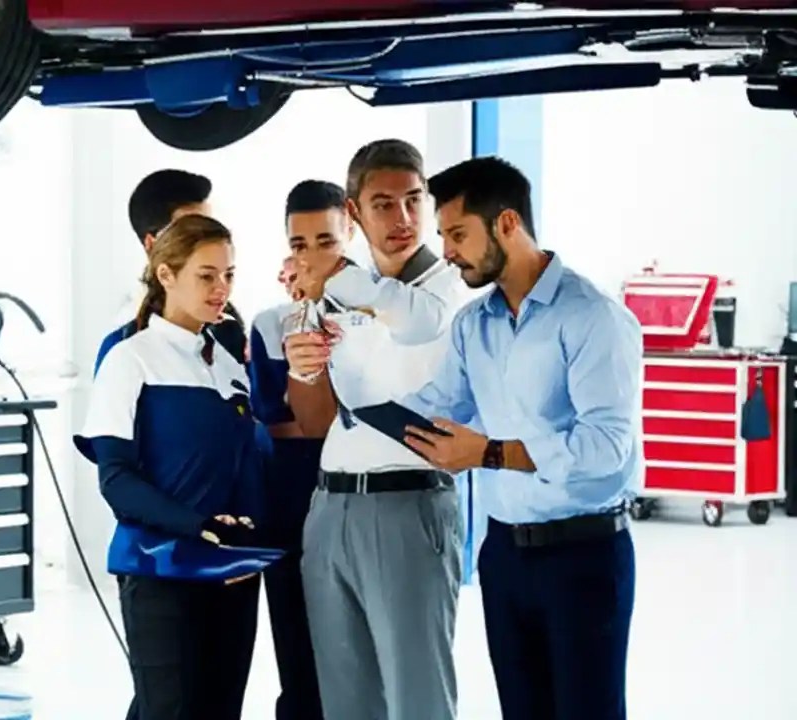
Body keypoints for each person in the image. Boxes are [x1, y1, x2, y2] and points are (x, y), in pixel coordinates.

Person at [399, 156, 641, 720]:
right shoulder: (472, 324)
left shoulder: (593, 318)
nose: (449, 251)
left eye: (458, 234)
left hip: (584, 556)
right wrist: (333, 387)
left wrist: (487, 453)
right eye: (445, 237)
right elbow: (436, 408)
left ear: (507, 223)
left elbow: (607, 449)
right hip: (504, 554)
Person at [282, 139, 469, 720]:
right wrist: (302, 358)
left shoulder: (449, 288)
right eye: (384, 204)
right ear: (356, 213)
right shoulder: (342, 291)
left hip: (407, 507)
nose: (404, 219)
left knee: (417, 700)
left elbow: (416, 327)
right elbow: (318, 419)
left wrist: (333, 281)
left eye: (414, 200)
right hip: (330, 508)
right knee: (345, 701)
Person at [74, 214, 274, 720]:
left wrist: (244, 546)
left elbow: (243, 465)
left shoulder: (229, 364)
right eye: (206, 275)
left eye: (229, 274)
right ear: (166, 275)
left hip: (228, 571)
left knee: (220, 710)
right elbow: (115, 479)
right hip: (158, 569)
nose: (221, 288)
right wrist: (198, 527)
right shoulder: (128, 359)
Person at [246, 180, 346, 720]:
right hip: (289, 501)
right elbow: (280, 421)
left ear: (349, 232)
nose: (311, 257)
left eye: (324, 241)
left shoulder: (376, 315)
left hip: (361, 499)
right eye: (299, 243)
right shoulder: (268, 324)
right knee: (297, 649)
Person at [96, 169, 247, 373]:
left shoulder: (228, 329)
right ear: (152, 244)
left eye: (210, 227)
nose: (208, 242)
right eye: (190, 233)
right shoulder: (124, 343)